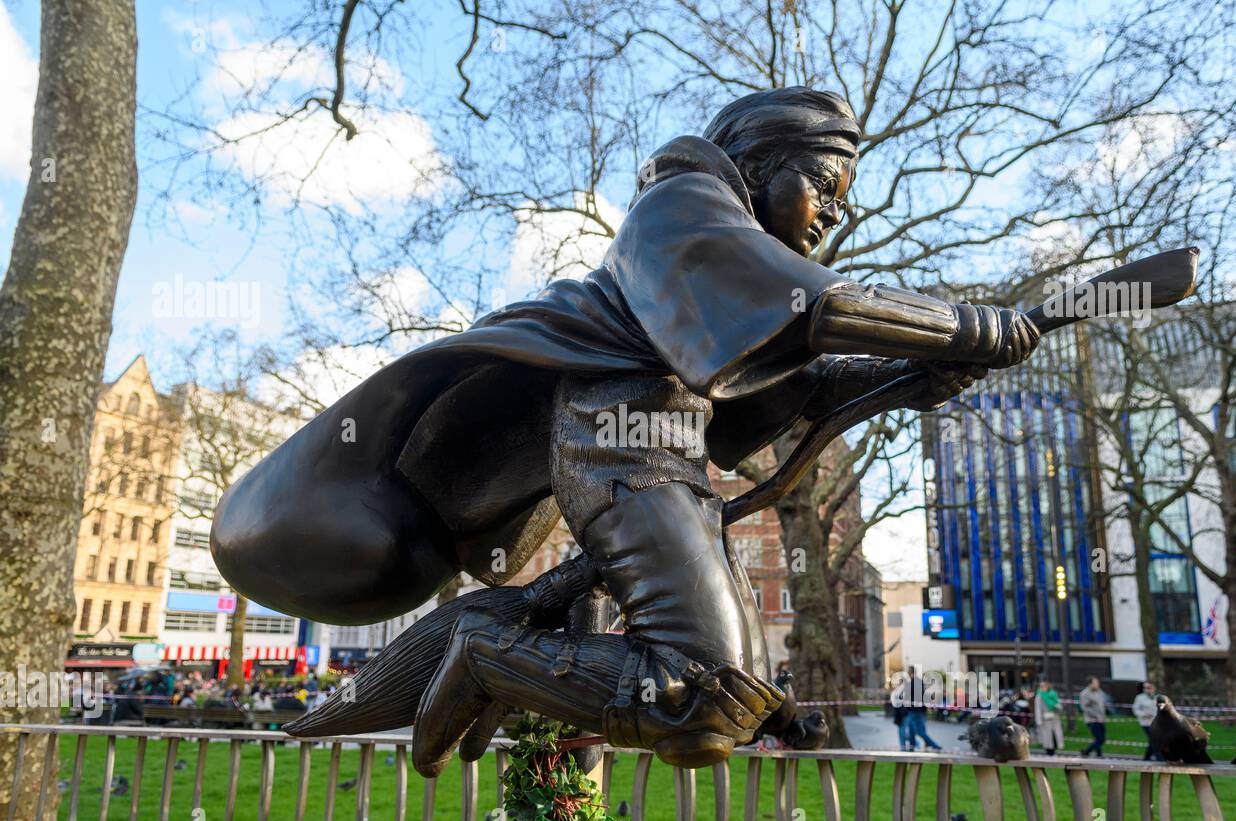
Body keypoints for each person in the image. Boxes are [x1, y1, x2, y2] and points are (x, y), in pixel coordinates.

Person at [213, 87, 1039, 774]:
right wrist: (970, 326)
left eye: (842, 203)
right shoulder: (683, 206)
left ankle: (505, 657)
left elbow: (789, 376)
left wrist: (912, 376)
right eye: (821, 185)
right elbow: (819, 305)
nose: (830, 216)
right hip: (624, 457)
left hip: (664, 462)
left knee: (730, 699)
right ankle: (484, 648)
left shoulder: (710, 263)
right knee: (704, 694)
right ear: (757, 165)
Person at [903, 665, 942, 752]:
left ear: (911, 672)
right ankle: (911, 748)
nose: (907, 674)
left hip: (915, 711)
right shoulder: (917, 682)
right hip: (914, 710)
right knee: (911, 731)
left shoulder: (913, 683)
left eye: (908, 672)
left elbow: (915, 697)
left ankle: (934, 745)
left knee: (919, 731)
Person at [1132, 681, 1161, 760]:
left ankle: (1146, 758)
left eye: (1148, 688)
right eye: (1144, 688)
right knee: (1154, 739)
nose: (1146, 690)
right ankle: (1159, 758)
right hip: (1146, 722)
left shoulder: (1157, 697)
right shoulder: (1140, 697)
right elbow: (1135, 709)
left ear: (1153, 688)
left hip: (1156, 722)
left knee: (1153, 740)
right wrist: (1143, 714)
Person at [1034, 679, 1064, 755]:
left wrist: (1058, 707)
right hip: (1045, 718)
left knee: (1057, 733)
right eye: (1041, 686)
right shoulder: (1039, 696)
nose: (1042, 688)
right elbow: (1038, 709)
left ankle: (1057, 747)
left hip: (1055, 717)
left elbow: (1059, 704)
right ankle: (1049, 750)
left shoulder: (1053, 694)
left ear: (1048, 686)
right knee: (1047, 735)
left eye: (1044, 686)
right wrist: (1039, 720)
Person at [1079, 676, 1107, 757]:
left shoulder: (1099, 692)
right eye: (1096, 683)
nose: (1098, 684)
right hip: (1092, 720)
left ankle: (1095, 753)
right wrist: (1095, 715)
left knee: (1101, 739)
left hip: (1101, 719)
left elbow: (1102, 704)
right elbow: (1084, 708)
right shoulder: (1085, 694)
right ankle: (1088, 752)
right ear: (1090, 684)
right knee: (1099, 739)